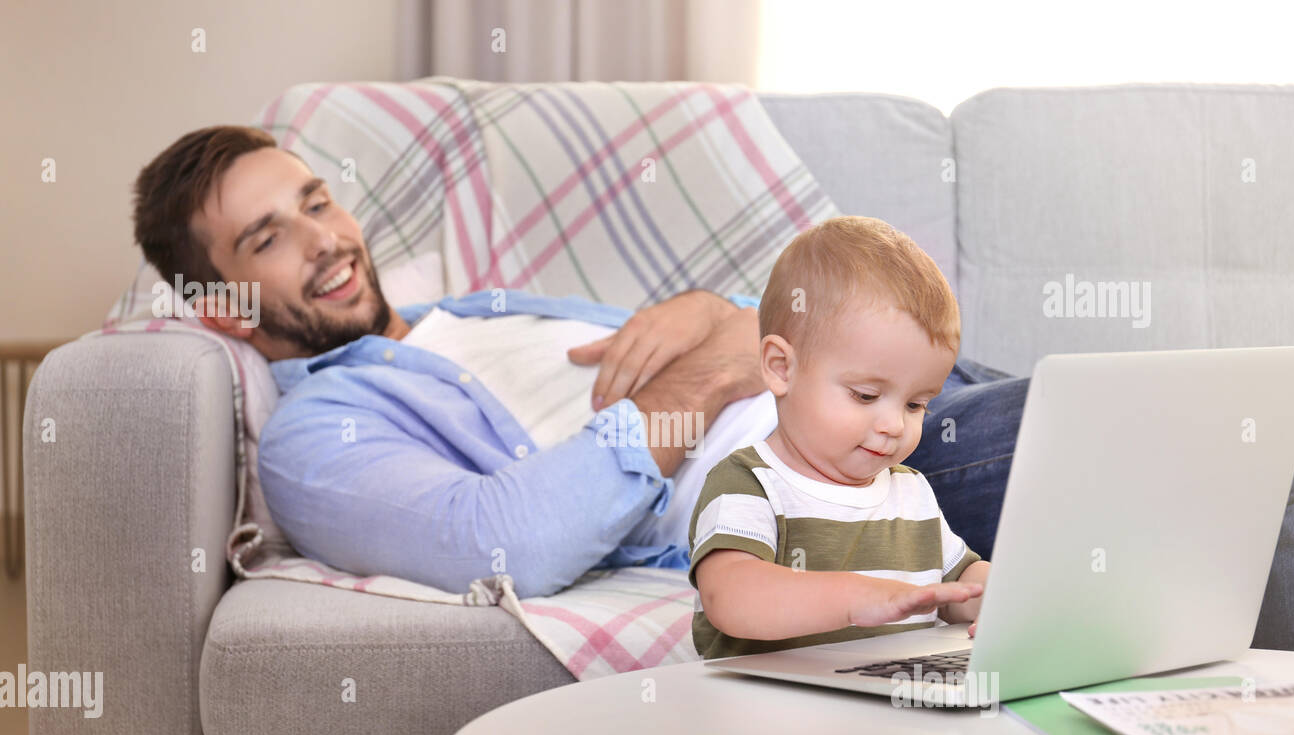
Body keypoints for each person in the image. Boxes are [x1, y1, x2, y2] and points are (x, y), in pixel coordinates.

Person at [129, 125, 1031, 605]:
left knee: (1120, 416)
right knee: (1127, 447)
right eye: (269, 238)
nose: (325, 241)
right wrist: (716, 366)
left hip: (888, 389)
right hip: (833, 464)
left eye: (316, 201)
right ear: (223, 308)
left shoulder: (474, 310)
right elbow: (504, 541)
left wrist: (720, 318)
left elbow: (752, 340)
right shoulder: (315, 434)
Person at [688, 217, 990, 658]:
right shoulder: (750, 483)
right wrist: (855, 598)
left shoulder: (911, 491)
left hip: (889, 695)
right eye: (865, 395)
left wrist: (999, 597)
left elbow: (959, 583)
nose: (894, 425)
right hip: (771, 711)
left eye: (916, 404)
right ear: (780, 367)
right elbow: (731, 598)